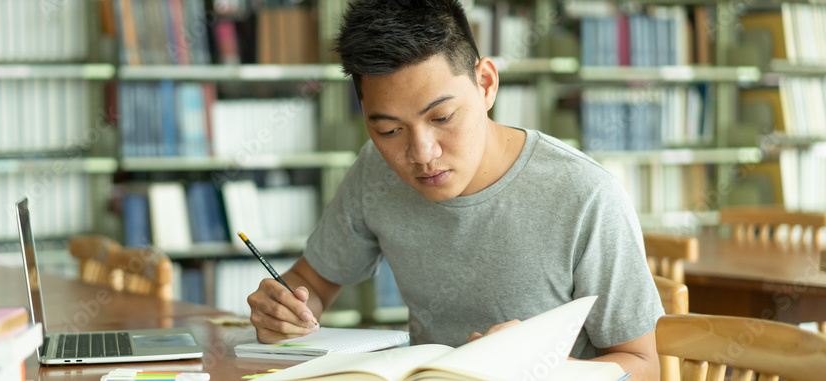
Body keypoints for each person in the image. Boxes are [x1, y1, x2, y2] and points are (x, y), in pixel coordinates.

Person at [246, 0, 664, 379]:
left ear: (485, 84)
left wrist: (545, 370)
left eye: (442, 117)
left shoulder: (586, 193)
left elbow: (644, 364)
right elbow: (312, 283)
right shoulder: (375, 173)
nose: (422, 153)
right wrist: (285, 310)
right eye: (389, 129)